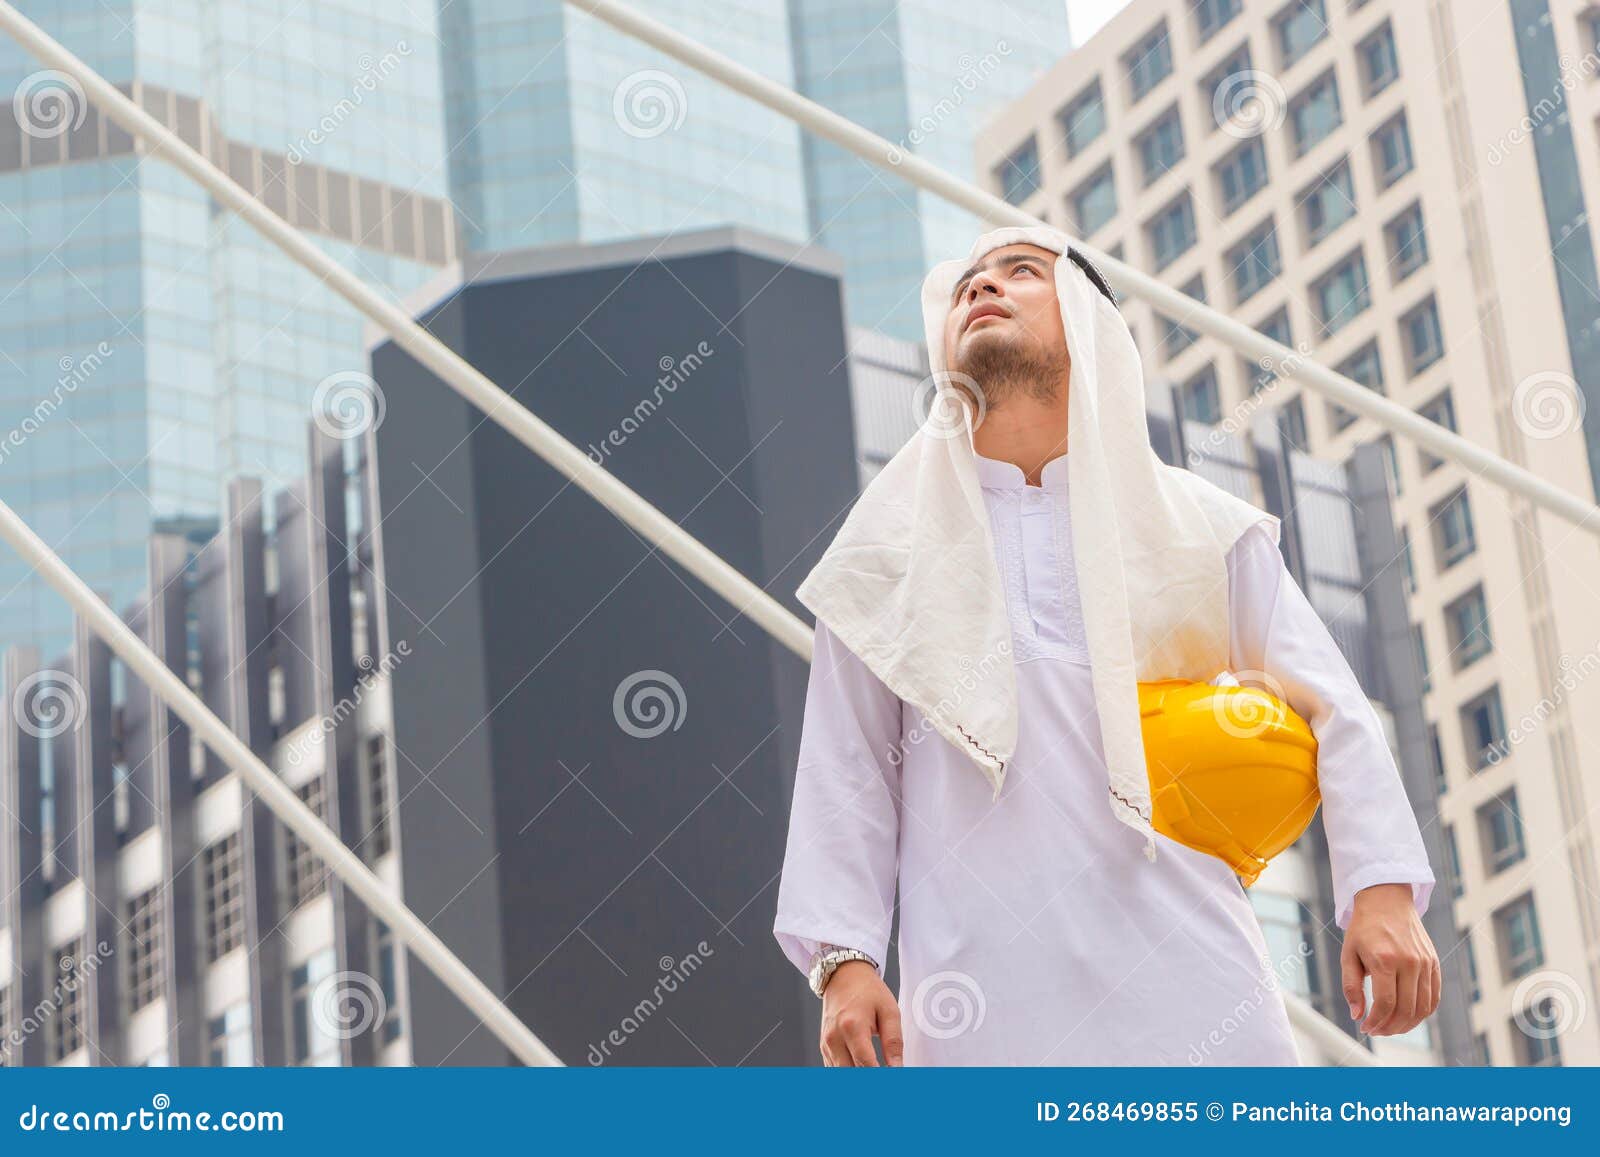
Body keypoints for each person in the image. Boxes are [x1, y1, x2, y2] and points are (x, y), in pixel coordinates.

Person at [773, 227, 1439, 1066]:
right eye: (967, 283)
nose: (984, 288)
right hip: (978, 1020)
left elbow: (1333, 706)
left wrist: (1380, 890)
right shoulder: (882, 557)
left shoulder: (1203, 528)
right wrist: (844, 962)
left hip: (1204, 1006)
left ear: (1089, 322)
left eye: (1021, 273)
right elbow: (847, 767)